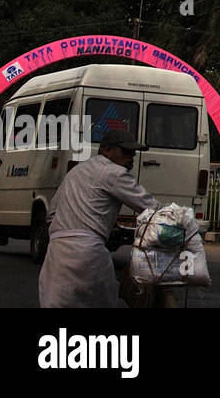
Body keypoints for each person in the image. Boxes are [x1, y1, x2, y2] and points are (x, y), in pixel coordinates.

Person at [38, 129, 159, 308]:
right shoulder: (114, 173)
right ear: (107, 150)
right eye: (126, 152)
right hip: (88, 252)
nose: (131, 157)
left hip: (56, 252)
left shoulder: (76, 171)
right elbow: (151, 207)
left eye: (133, 153)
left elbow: (52, 214)